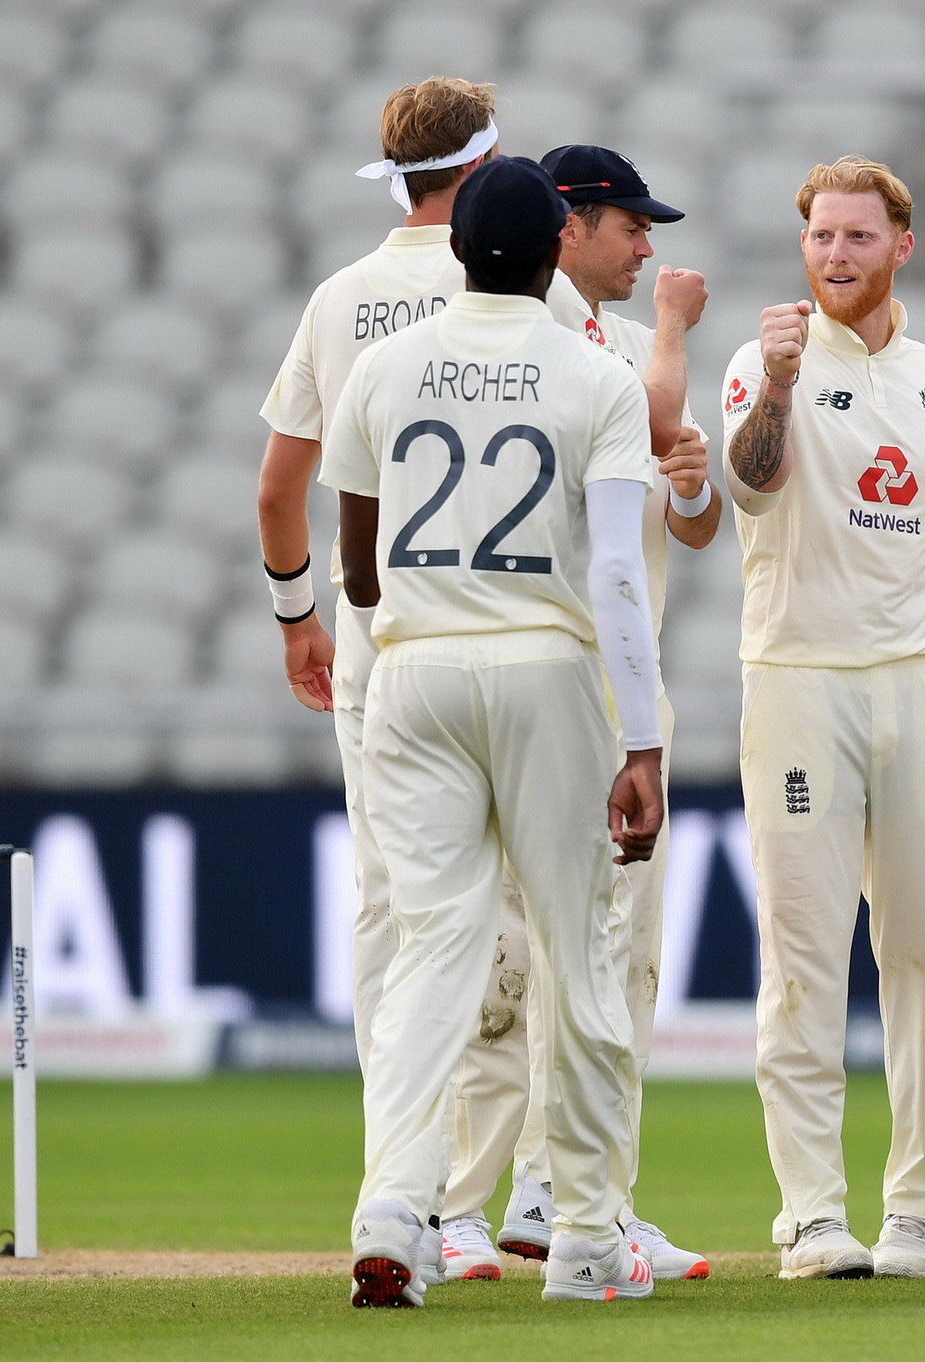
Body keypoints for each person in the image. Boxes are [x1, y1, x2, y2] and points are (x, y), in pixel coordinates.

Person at [325, 156, 668, 1305]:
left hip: (414, 672)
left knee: (432, 949)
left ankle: (393, 1207)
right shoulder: (595, 374)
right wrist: (641, 741)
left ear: (459, 248)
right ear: (554, 251)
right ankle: (585, 1238)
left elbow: (357, 571)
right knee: (578, 953)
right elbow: (615, 573)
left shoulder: (383, 365)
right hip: (543, 670)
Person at [721, 157, 925, 1280]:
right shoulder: (764, 359)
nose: (835, 255)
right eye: (821, 235)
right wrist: (778, 387)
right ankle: (814, 1215)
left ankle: (916, 1210)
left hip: (919, 683)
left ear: (901, 248)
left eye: (857, 237)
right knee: (805, 954)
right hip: (798, 679)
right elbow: (750, 490)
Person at [433, 143, 717, 1285]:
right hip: (547, 680)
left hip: (620, 677)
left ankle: (572, 1192)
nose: (646, 246)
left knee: (615, 956)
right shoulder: (537, 327)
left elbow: (688, 520)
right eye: (629, 225)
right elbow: (643, 415)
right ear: (569, 223)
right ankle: (461, 1202)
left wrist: (689, 482)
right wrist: (676, 334)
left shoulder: (610, 340)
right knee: (509, 954)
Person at [257, 75, 508, 1286]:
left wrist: (296, 619)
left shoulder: (341, 297)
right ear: (488, 166)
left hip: (376, 642)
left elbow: (278, 491)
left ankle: (397, 1189)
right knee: (518, 922)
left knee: (390, 911)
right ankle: (493, 1203)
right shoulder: (516, 283)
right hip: (509, 636)